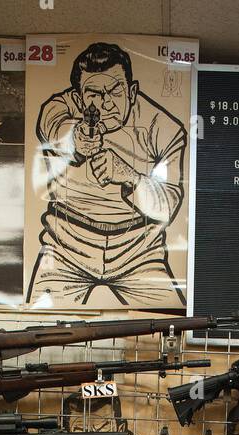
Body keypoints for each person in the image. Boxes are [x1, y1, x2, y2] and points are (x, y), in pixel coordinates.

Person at [26, 42, 186, 308]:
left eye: (115, 91)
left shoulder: (164, 128)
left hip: (139, 250)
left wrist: (129, 177)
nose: (106, 103)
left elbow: (168, 205)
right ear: (78, 99)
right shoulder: (65, 108)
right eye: (94, 94)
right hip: (66, 244)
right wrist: (73, 139)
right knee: (34, 324)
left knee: (170, 326)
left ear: (132, 91)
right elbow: (49, 119)